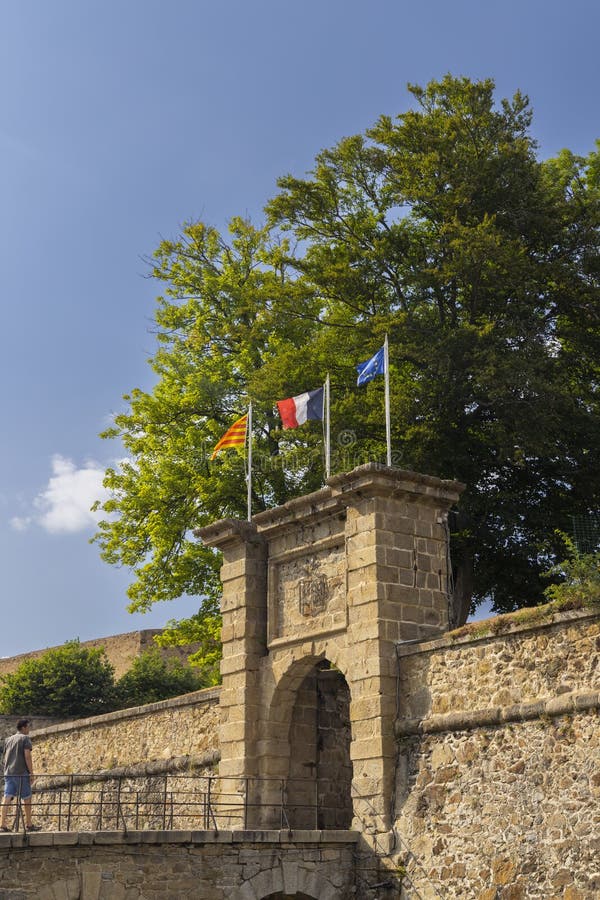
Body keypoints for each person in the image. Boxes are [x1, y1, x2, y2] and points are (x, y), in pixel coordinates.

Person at [0, 718, 41, 832]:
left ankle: (2, 825)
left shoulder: (8, 740)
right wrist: (31, 773)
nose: (29, 729)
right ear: (23, 727)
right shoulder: (25, 738)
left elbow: (5, 757)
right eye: (28, 726)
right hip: (21, 774)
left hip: (8, 773)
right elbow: (27, 756)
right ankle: (29, 825)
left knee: (6, 798)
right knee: (27, 798)